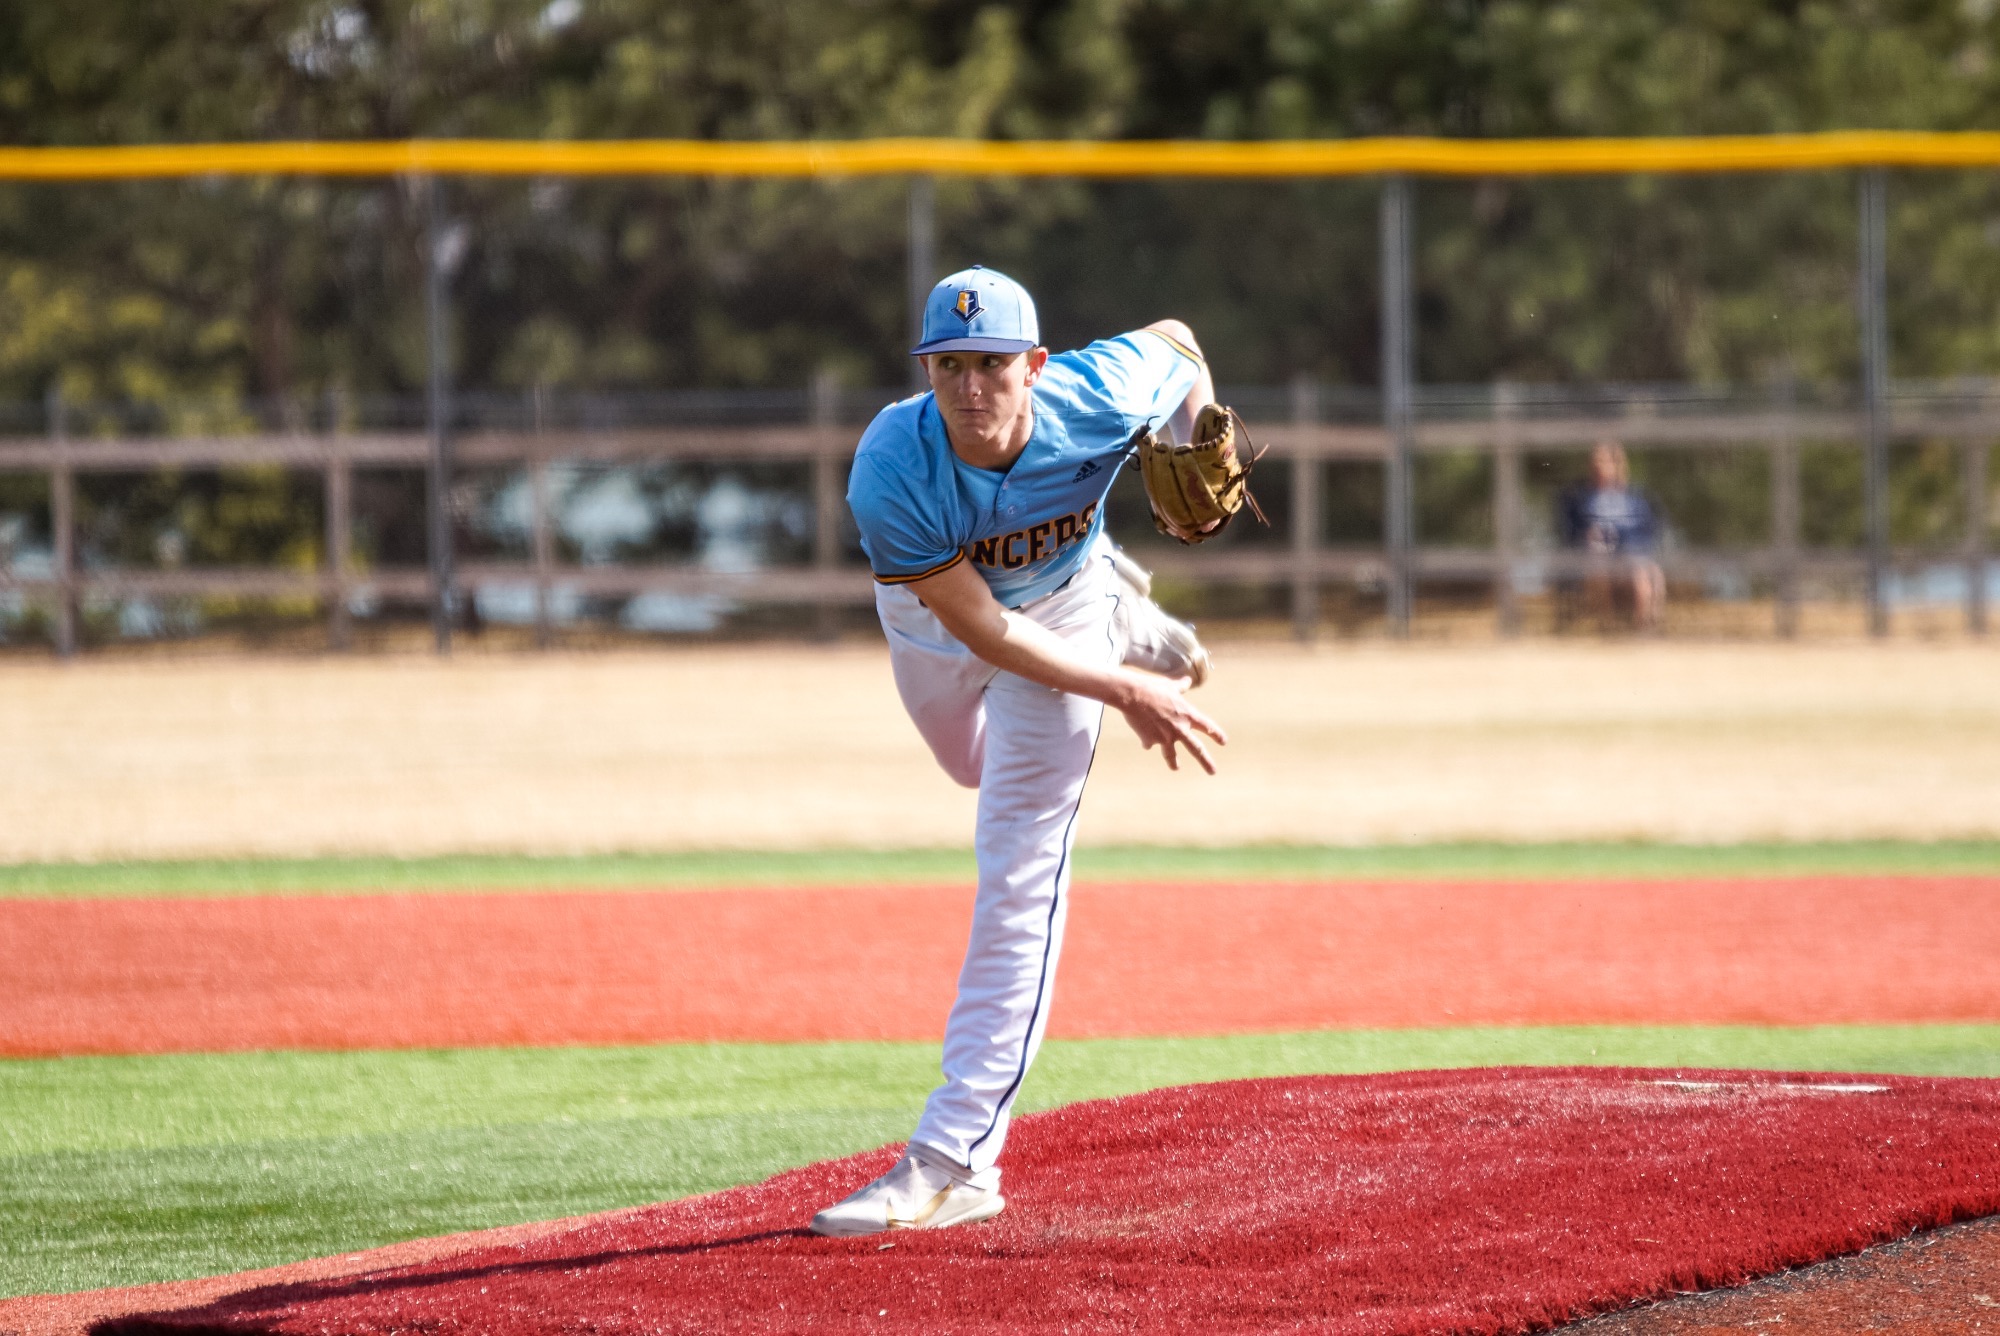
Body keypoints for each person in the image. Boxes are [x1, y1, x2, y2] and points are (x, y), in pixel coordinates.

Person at [810, 266, 1226, 1237]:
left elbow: (1178, 335)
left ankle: (955, 1157)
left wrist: (1181, 440)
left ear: (1034, 366)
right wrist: (1120, 685)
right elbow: (983, 630)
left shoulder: (1095, 394)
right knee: (967, 763)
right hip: (936, 624)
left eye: (992, 366)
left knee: (1017, 865)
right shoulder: (891, 466)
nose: (969, 388)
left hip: (1065, 608)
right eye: (947, 366)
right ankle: (1126, 623)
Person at [1556, 439, 1665, 632]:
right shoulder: (1578, 497)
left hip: (1630, 555)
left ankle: (1646, 629)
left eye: (1606, 460)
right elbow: (1569, 533)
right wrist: (1585, 538)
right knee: (1600, 569)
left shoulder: (1635, 497)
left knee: (1646, 574)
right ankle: (1607, 629)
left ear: (1618, 464)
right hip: (1594, 556)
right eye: (1596, 460)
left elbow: (1649, 532)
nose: (1599, 466)